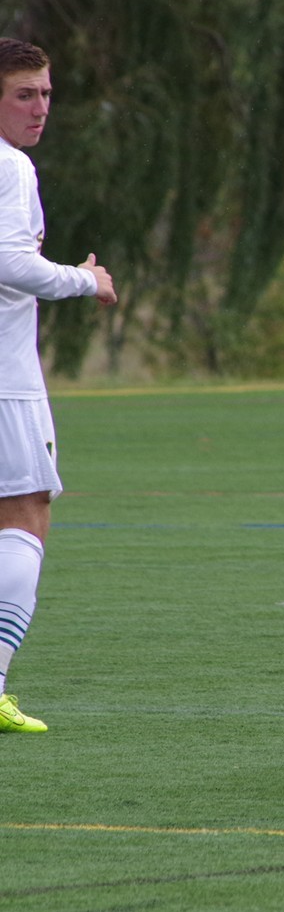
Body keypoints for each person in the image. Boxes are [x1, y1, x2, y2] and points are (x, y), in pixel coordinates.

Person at [0, 38, 117, 734]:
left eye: (46, 93)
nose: (40, 106)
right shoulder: (11, 167)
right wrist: (85, 279)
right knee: (25, 515)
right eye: (23, 93)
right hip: (6, 384)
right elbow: (11, 263)